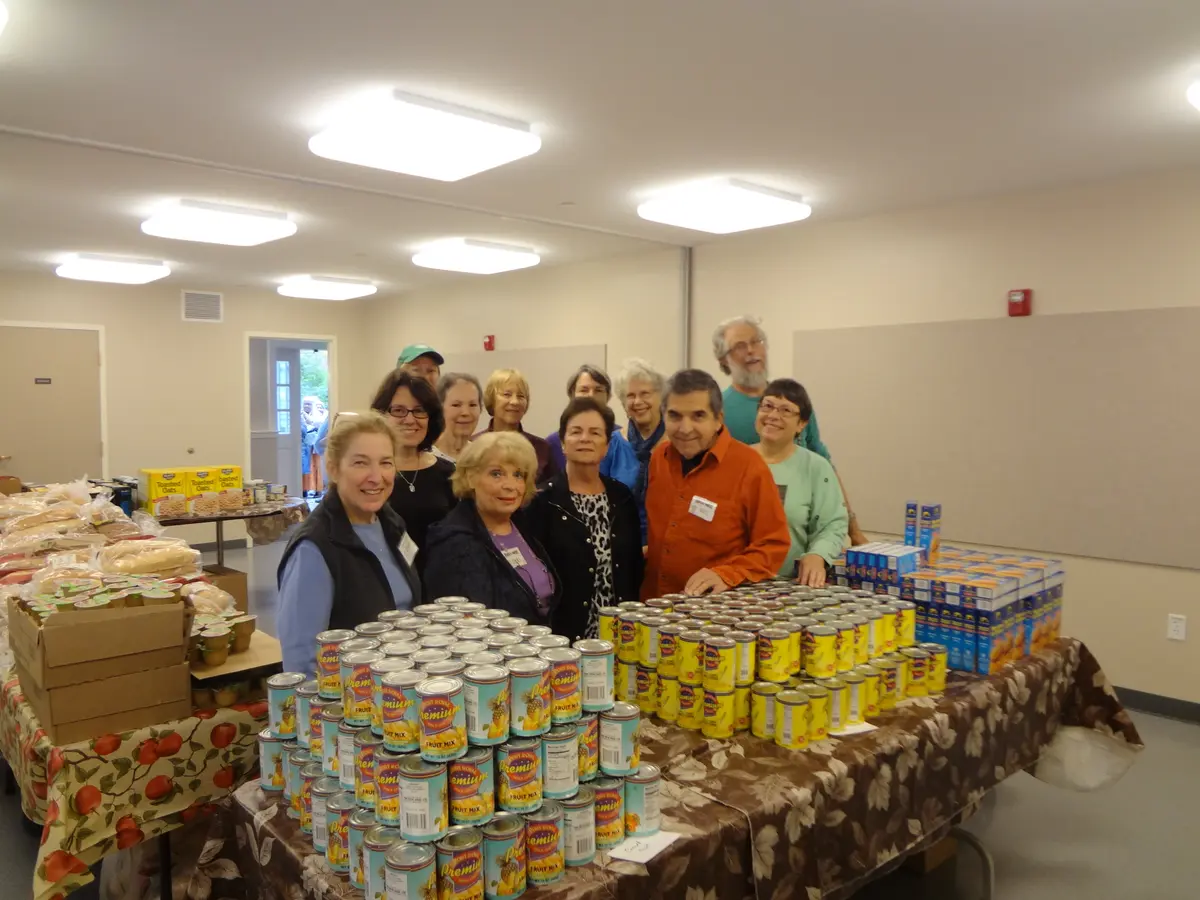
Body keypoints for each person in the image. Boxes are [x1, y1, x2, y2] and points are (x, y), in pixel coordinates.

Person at [277, 411, 421, 673]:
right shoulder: (315, 548)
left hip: (398, 691)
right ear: (333, 468)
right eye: (360, 463)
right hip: (352, 704)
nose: (376, 477)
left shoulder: (391, 525)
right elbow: (301, 661)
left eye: (386, 463)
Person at [713, 314, 867, 546]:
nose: (752, 351)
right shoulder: (718, 411)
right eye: (740, 346)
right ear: (723, 360)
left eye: (757, 341)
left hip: (805, 544)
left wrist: (853, 531)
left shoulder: (797, 403)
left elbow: (825, 466)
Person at [642, 369, 789, 597]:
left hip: (715, 615)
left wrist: (727, 573)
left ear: (718, 419)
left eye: (698, 416)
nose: (685, 428)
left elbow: (773, 544)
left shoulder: (749, 467)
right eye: (675, 416)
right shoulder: (658, 459)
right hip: (655, 605)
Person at [529, 398, 643, 641]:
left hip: (621, 633)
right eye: (576, 432)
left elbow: (634, 569)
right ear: (562, 443)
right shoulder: (541, 501)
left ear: (606, 445)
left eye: (595, 433)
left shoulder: (622, 498)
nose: (585, 438)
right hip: (562, 636)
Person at [423, 432, 559, 623]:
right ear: (470, 477)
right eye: (497, 473)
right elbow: (468, 624)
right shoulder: (454, 542)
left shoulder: (522, 524)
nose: (510, 485)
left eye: (518, 474)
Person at [753, 379, 848, 586]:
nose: (773, 416)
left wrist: (818, 555)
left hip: (789, 585)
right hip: (733, 583)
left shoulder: (816, 467)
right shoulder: (735, 460)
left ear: (802, 424)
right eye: (767, 406)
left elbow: (832, 523)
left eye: (786, 410)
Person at [369, 369, 456, 576]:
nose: (410, 420)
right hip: (387, 584)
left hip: (441, 587)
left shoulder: (449, 474)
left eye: (419, 410)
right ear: (382, 414)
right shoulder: (370, 476)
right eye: (398, 410)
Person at [544, 365, 639, 490]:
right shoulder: (552, 443)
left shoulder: (622, 438)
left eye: (598, 390)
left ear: (608, 396)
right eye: (584, 390)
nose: (591, 395)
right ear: (572, 394)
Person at [476, 368, 559, 484]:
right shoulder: (474, 445)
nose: (515, 402)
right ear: (491, 399)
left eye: (521, 396)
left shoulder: (542, 448)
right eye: (507, 395)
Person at [615, 358, 666, 543]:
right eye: (630, 395)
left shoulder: (679, 443)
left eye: (645, 393)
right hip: (622, 546)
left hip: (667, 547)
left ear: (660, 398)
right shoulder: (611, 445)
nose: (638, 401)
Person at [433, 373, 483, 463]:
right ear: (440, 409)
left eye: (473, 405)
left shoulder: (483, 457)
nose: (466, 412)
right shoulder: (425, 459)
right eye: (456, 405)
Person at [300, 397, 325, 497]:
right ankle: (305, 489)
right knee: (307, 467)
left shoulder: (320, 416)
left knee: (316, 467)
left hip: (315, 446)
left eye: (309, 404)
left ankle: (317, 490)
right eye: (305, 404)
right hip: (306, 446)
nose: (307, 406)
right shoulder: (300, 415)